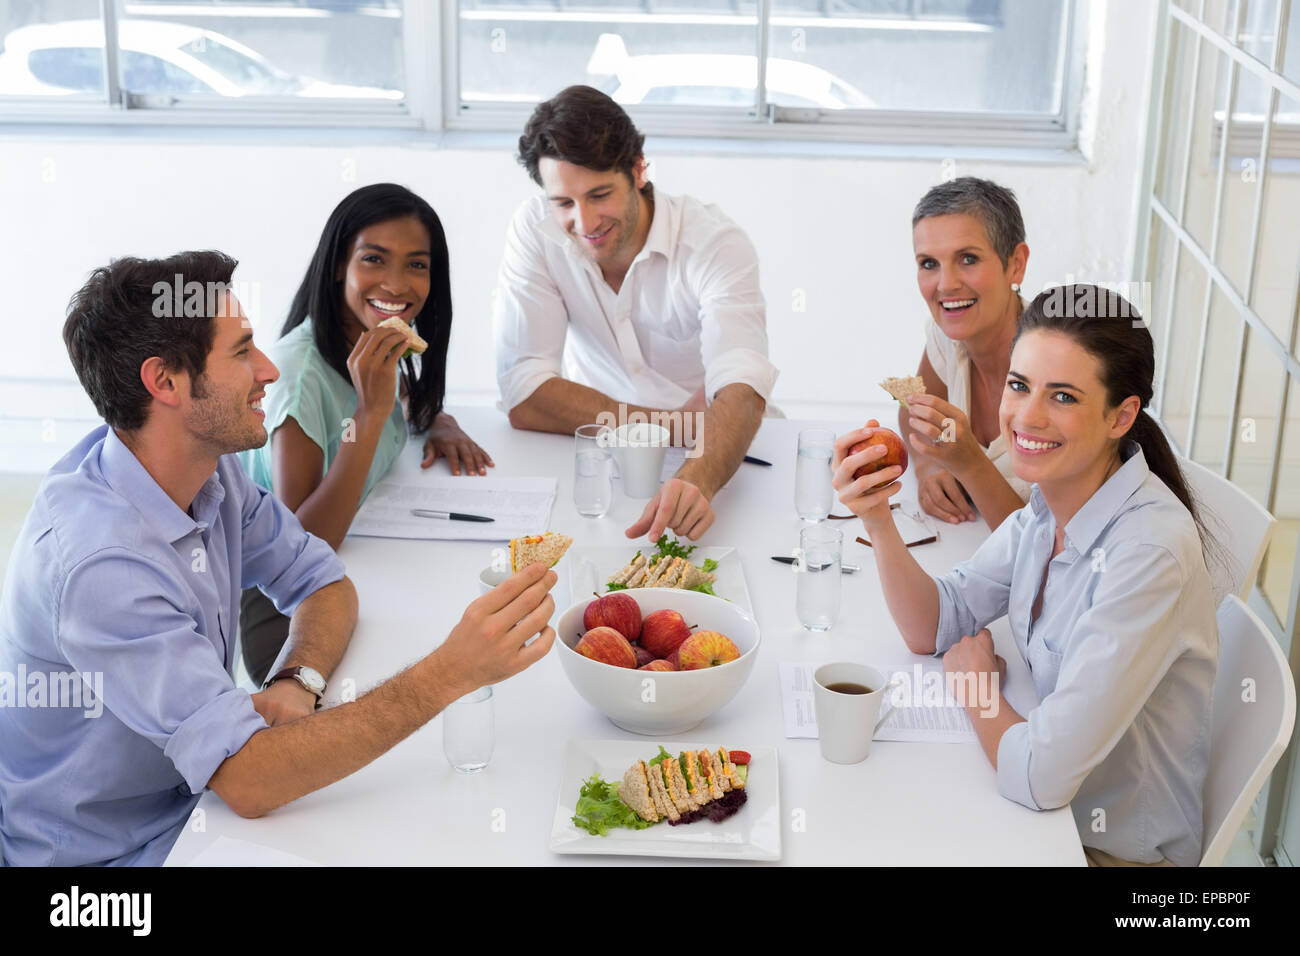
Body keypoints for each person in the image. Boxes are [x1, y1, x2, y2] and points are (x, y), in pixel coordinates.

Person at [0, 253, 556, 866]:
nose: (268, 369)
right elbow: (249, 780)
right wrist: (450, 673)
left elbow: (323, 581)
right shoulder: (101, 567)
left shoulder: (210, 472)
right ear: (165, 382)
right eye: (241, 352)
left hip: (192, 813)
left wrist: (298, 679)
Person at [832, 285, 1217, 866]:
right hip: (1040, 823)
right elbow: (934, 623)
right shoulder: (1049, 504)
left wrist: (976, 685)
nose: (1027, 417)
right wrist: (877, 517)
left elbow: (1041, 776)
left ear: (1122, 415)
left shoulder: (1147, 553)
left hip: (1105, 854)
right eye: (1020, 386)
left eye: (1062, 396)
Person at [495, 85, 779, 543]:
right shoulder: (535, 230)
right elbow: (524, 395)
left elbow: (742, 386)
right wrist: (669, 425)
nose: (584, 224)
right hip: (599, 453)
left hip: (714, 454)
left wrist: (695, 479)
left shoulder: (714, 243)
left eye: (599, 195)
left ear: (639, 169)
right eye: (564, 203)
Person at [238, 183, 493, 686]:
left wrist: (436, 418)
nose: (397, 284)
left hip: (361, 573)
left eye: (417, 265)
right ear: (339, 265)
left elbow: (396, 406)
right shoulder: (302, 375)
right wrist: (370, 415)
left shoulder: (370, 342)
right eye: (375, 259)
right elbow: (302, 542)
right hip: (289, 617)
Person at [902, 177, 1033, 530]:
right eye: (929, 263)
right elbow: (912, 409)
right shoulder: (948, 337)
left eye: (968, 259)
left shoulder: (1058, 370)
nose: (945, 285)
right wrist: (928, 465)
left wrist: (969, 465)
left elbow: (1043, 550)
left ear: (1016, 264)